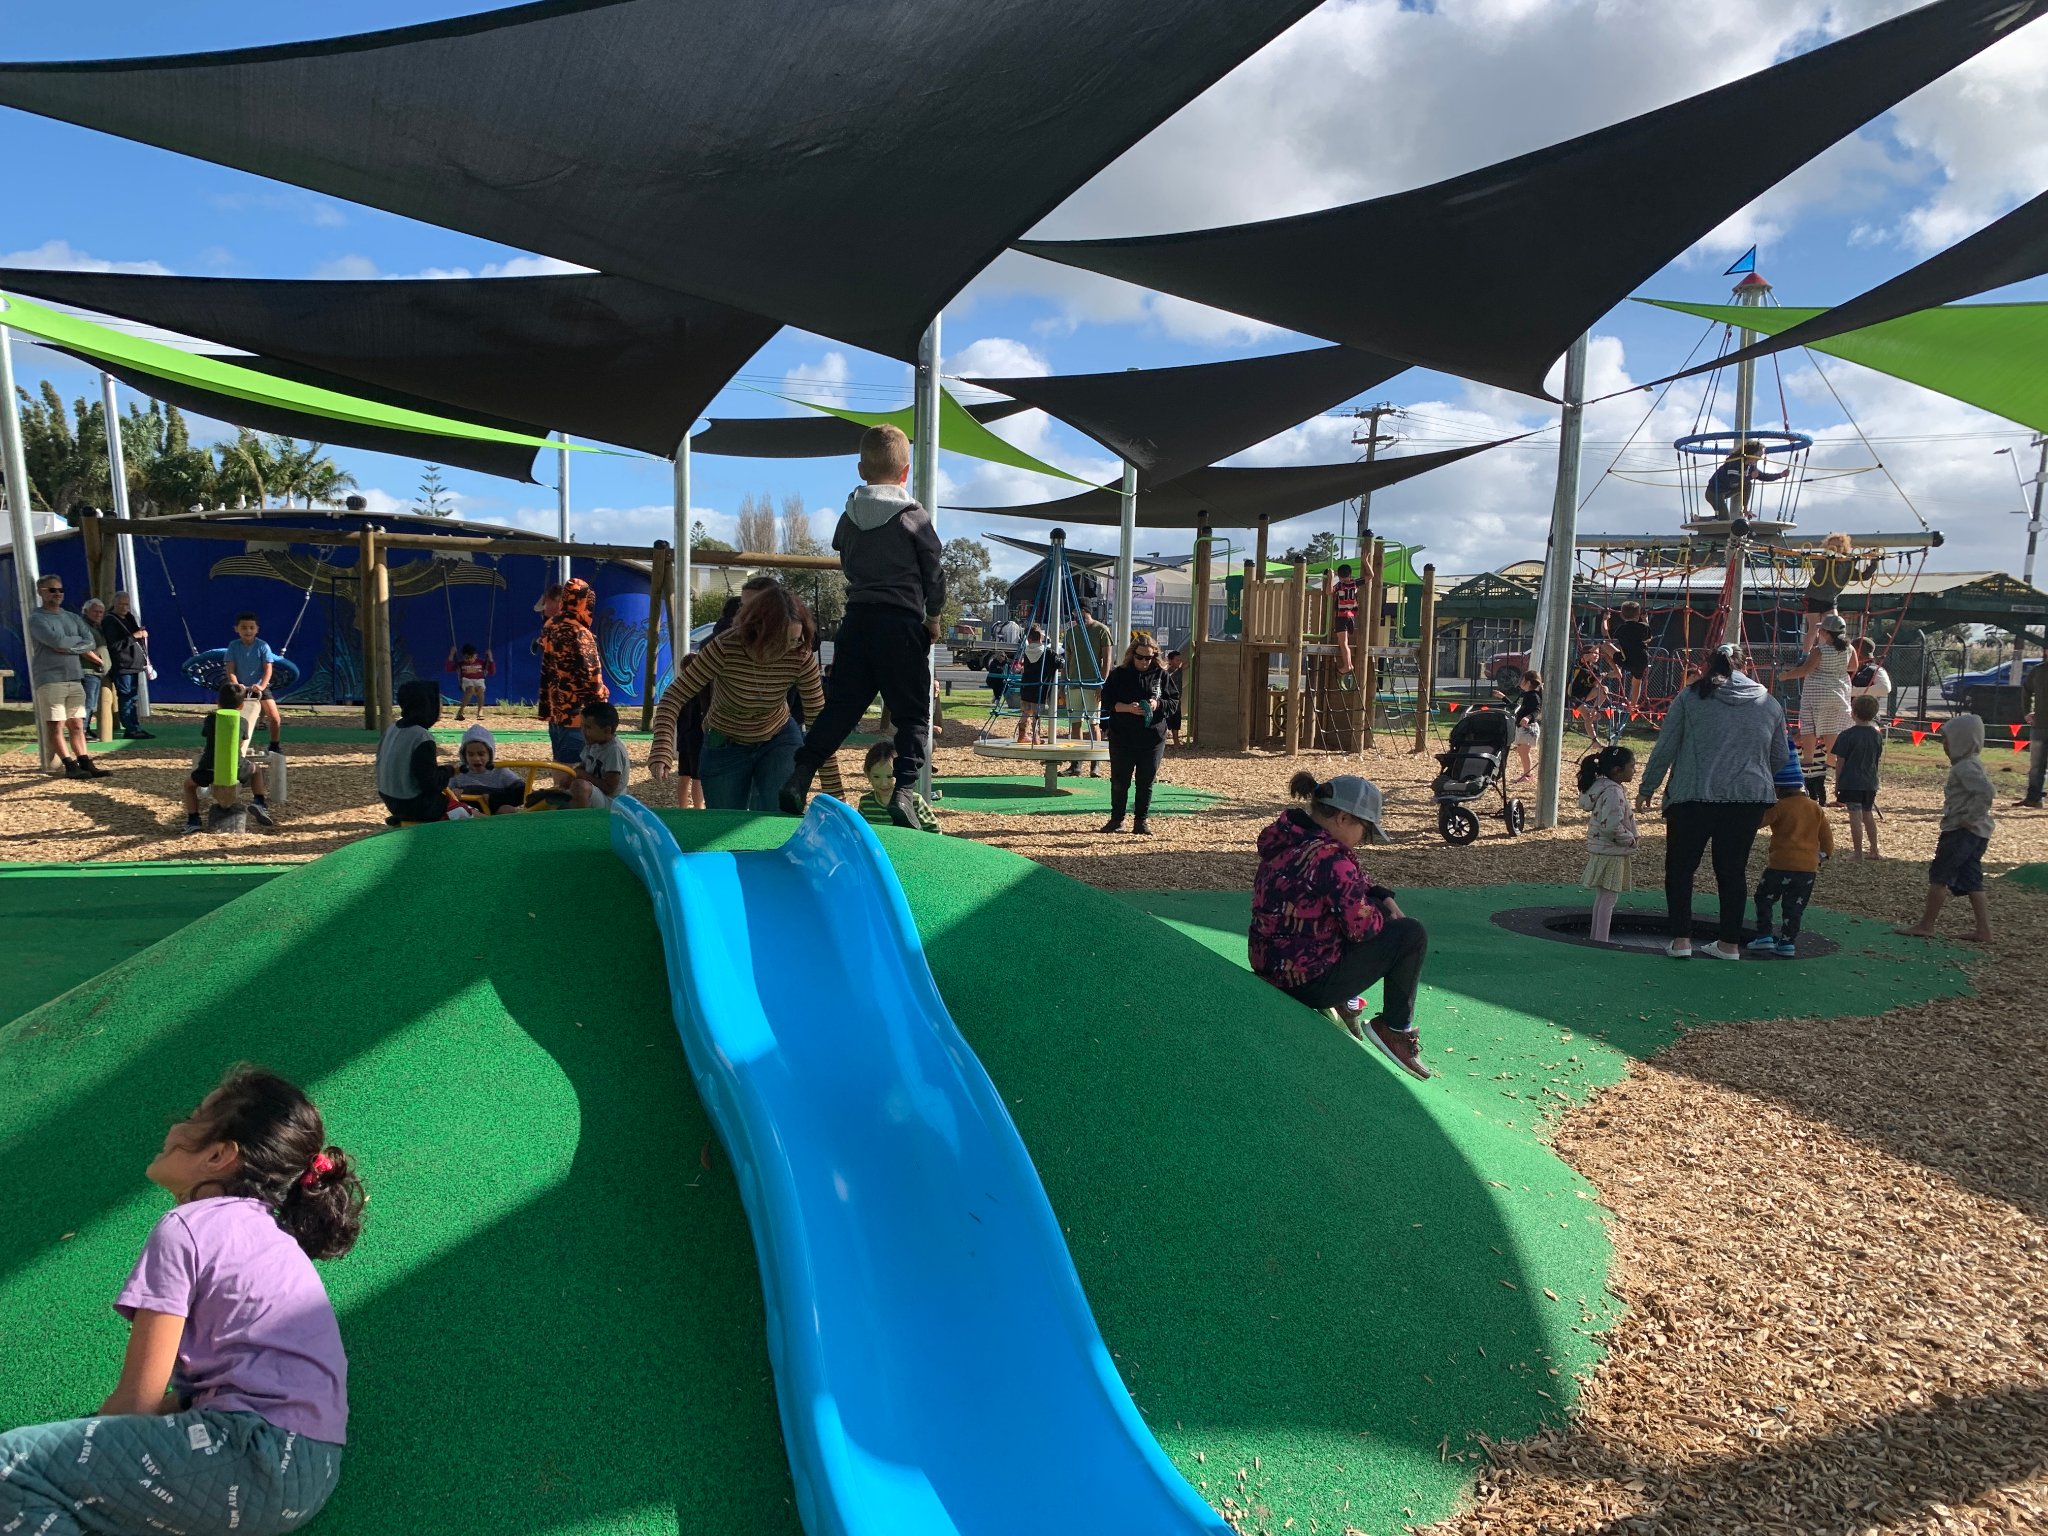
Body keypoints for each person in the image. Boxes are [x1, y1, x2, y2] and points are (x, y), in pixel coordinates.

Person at [0, 1065, 359, 1536]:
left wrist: (77, 1437)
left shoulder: (188, 1227)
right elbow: (192, 1399)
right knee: (75, 1482)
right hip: (309, 1473)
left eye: (193, 1117)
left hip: (248, 1453)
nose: (173, 1129)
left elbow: (138, 1402)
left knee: (10, 1467)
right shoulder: (272, 1239)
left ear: (219, 1155)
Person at [780, 424, 944, 827]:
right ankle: (903, 792)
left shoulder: (848, 517)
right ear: (905, 472)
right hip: (901, 624)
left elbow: (844, 552)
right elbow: (933, 572)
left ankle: (801, 775)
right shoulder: (913, 516)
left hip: (856, 622)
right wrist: (934, 615)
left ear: (859, 469)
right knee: (913, 717)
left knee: (840, 709)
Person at [1249, 772, 1431, 1080]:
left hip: (1269, 965)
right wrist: (1385, 914)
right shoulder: (1332, 860)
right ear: (1345, 818)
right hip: (1307, 983)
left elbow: (1356, 883)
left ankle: (1346, 1002)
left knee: (1343, 915)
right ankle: (1395, 1028)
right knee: (1410, 934)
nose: (1365, 839)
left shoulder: (1288, 839)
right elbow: (1363, 928)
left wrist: (1381, 897)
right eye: (1365, 830)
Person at [1636, 646, 1787, 961]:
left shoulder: (1691, 698)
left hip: (1694, 794)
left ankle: (1681, 940)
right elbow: (1779, 755)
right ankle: (1729, 943)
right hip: (1748, 798)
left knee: (1680, 868)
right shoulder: (1768, 703)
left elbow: (1666, 745)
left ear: (1707, 664)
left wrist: (1648, 786)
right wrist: (1754, 776)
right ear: (1746, 666)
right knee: (1732, 871)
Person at [650, 583, 829, 814]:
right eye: (782, 640)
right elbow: (674, 696)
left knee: (781, 812)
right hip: (725, 742)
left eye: (796, 639)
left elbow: (819, 719)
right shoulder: (726, 646)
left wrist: (835, 791)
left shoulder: (800, 655)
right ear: (760, 631)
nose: (791, 647)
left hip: (778, 737)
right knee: (726, 820)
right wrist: (662, 745)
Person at [1898, 712, 1996, 943]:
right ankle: (1984, 930)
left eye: (1948, 740)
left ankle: (1926, 924)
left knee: (1939, 876)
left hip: (1961, 831)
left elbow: (1986, 792)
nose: (1944, 745)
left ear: (1962, 740)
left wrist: (1969, 818)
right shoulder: (1973, 764)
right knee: (1972, 879)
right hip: (1976, 833)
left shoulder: (1964, 767)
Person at [1749, 751, 1833, 957]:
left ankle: (1764, 935)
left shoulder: (1780, 806)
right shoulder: (1815, 807)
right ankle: (1787, 942)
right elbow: (1827, 839)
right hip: (1807, 869)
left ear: (1777, 787)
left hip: (1780, 864)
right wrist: (1822, 856)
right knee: (1794, 906)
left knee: (1764, 898)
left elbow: (1758, 822)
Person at [29, 572, 112, 778]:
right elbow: (55, 642)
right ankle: (69, 764)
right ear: (41, 592)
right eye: (52, 590)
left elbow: (89, 642)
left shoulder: (72, 617)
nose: (58, 594)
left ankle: (85, 761)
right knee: (56, 724)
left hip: (75, 676)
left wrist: (68, 645)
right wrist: (74, 644)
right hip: (50, 679)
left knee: (77, 723)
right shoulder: (37, 618)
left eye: (60, 590)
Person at [181, 681, 277, 833]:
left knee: (189, 785)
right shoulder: (243, 721)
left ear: (217, 703)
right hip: (236, 766)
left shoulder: (210, 719)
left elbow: (206, 734)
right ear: (241, 706)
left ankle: (193, 819)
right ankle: (259, 801)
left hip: (209, 767)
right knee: (257, 770)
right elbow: (241, 742)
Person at [1097, 633, 1168, 836]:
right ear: (1132, 655)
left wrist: (1157, 704)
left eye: (1149, 658)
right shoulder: (1119, 674)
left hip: (1152, 737)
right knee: (1120, 780)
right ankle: (1117, 819)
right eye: (1141, 657)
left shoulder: (1161, 675)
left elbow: (1173, 702)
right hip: (1123, 736)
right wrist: (1128, 708)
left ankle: (1141, 821)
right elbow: (1108, 701)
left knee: (1146, 781)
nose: (1145, 662)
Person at [536, 578, 608, 769]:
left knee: (560, 764)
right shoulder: (580, 633)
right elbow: (591, 676)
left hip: (554, 709)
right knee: (576, 768)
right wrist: (602, 698)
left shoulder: (551, 626)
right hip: (578, 715)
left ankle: (558, 795)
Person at [1781, 612, 1854, 796]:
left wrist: (1787, 675)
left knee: (1809, 731)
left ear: (1827, 633)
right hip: (1839, 695)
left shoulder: (1819, 650)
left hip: (1816, 696)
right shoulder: (1849, 649)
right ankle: (1841, 785)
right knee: (1832, 740)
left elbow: (1806, 670)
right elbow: (1853, 667)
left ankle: (1807, 768)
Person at [1576, 745, 1638, 945]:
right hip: (1612, 851)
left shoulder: (1602, 787)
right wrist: (1630, 838)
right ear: (1616, 770)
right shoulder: (1613, 792)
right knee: (1609, 899)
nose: (1634, 770)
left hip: (1603, 849)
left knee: (1603, 897)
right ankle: (1601, 940)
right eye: (1632, 766)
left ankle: (1597, 937)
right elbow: (1611, 826)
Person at [376, 678, 457, 824]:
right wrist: (449, 770)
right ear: (428, 705)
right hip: (413, 802)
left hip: (389, 799)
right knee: (462, 811)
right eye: (438, 701)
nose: (442, 706)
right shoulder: (421, 736)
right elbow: (429, 782)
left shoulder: (392, 729)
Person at [1830, 694, 1886, 859]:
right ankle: (1874, 850)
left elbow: (1840, 762)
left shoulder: (1846, 735)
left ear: (1853, 713)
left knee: (1855, 815)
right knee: (1868, 814)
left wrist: (1837, 783)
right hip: (1869, 782)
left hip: (1851, 782)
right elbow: (1876, 759)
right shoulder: (1876, 735)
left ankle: (1857, 853)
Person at [1062, 608, 1114, 777]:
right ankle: (1076, 765)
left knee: (1093, 723)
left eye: (1076, 613)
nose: (1074, 617)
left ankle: (1095, 765)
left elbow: (1107, 659)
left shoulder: (1101, 630)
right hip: (1074, 683)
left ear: (1084, 610)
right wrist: (1065, 682)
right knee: (1075, 723)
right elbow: (1067, 659)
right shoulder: (1071, 632)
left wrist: (1102, 683)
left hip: (1093, 684)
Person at [225, 612, 285, 756]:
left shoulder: (263, 646)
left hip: (260, 687)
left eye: (251, 628)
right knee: (231, 716)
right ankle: (230, 744)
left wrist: (262, 686)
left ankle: (274, 745)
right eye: (244, 628)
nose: (248, 631)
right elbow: (230, 669)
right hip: (239, 687)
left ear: (257, 629)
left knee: (275, 718)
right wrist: (236, 684)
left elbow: (268, 669)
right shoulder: (233, 646)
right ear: (236, 629)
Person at [1803, 532, 1878, 645]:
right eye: (1832, 546)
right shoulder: (1824, 560)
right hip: (1814, 598)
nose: (1835, 549)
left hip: (1830, 599)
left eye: (1838, 546)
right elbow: (1833, 574)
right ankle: (1805, 655)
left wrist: (1873, 563)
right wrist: (1854, 560)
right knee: (1814, 629)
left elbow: (1864, 576)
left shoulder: (1847, 564)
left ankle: (1822, 653)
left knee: (1832, 628)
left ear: (1844, 548)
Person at [102, 590, 154, 738]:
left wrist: (141, 635)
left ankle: (135, 726)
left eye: (127, 604)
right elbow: (115, 646)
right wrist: (134, 636)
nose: (124, 607)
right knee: (126, 697)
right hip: (123, 666)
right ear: (114, 604)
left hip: (134, 664)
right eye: (121, 604)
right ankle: (130, 729)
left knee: (133, 698)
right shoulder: (110, 621)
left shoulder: (129, 618)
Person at [861, 739, 939, 831]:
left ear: (901, 774)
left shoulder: (915, 801)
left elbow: (934, 831)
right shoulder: (866, 803)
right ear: (868, 774)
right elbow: (861, 832)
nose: (884, 783)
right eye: (876, 776)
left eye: (890, 776)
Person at [449, 723, 527, 814]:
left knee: (507, 809)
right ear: (464, 755)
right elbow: (445, 792)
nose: (476, 759)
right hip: (470, 813)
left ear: (490, 754)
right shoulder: (458, 772)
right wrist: (453, 793)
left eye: (481, 754)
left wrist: (492, 796)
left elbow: (522, 790)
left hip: (494, 810)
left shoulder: (499, 771)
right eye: (470, 754)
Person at [1703, 437, 1787, 519]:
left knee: (1747, 484)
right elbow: (1732, 481)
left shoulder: (1750, 466)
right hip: (1714, 492)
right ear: (1752, 453)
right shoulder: (1735, 462)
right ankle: (1701, 519)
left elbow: (1764, 476)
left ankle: (1745, 509)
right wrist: (1750, 476)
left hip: (1725, 491)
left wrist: (1780, 475)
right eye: (1759, 455)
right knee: (1725, 519)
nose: (1760, 458)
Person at [570, 700, 630, 809]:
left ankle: (583, 823)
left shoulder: (614, 750)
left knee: (580, 786)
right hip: (598, 795)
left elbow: (610, 788)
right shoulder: (593, 742)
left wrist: (584, 776)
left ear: (607, 731)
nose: (583, 731)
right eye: (582, 726)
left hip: (611, 802)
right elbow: (583, 766)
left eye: (588, 727)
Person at [1604, 602, 1654, 711]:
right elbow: (1649, 636)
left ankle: (1616, 670)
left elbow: (1605, 633)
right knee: (1637, 681)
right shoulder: (1643, 627)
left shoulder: (1621, 629)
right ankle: (1633, 705)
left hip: (1627, 660)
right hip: (1642, 659)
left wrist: (1605, 619)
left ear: (1622, 615)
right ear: (1638, 615)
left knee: (1604, 645)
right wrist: (1645, 619)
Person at [1014, 626, 1060, 745]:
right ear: (1041, 637)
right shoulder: (1047, 653)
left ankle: (1022, 734)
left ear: (1028, 639)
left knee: (1026, 712)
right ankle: (1036, 737)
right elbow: (1060, 663)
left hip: (1026, 686)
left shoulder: (1026, 652)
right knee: (1036, 714)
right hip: (1039, 689)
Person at [79, 596, 113, 727]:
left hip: (96, 672)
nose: (98, 614)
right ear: (86, 611)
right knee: (87, 703)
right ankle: (82, 730)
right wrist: (100, 662)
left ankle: (85, 728)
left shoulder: (96, 627)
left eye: (101, 612)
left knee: (92, 704)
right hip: (88, 670)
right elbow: (83, 650)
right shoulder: (83, 627)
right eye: (95, 611)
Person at [2019, 654, 2047, 809]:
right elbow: (2026, 690)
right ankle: (2034, 798)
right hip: (2040, 725)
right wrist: (2027, 711)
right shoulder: (2038, 671)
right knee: (2036, 765)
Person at [1567, 644, 1610, 741]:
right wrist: (1600, 644)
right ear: (1586, 654)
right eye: (1594, 653)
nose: (1597, 655)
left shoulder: (1595, 668)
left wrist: (1601, 677)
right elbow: (1585, 656)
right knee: (1587, 717)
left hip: (1585, 694)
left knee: (1604, 689)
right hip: (1574, 694)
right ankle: (1594, 740)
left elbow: (1596, 686)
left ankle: (1595, 709)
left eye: (1598, 653)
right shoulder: (1581, 663)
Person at [445, 642, 496, 721]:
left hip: (479, 681)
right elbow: (448, 668)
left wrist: (490, 657)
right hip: (467, 680)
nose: (469, 660)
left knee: (480, 689)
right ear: (463, 657)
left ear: (476, 655)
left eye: (471, 657)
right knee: (470, 689)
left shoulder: (481, 663)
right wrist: (451, 654)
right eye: (466, 658)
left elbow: (492, 672)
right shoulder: (461, 664)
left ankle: (480, 711)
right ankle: (460, 712)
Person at [1510, 669, 1542, 782]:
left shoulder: (1534, 696)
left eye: (1522, 679)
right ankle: (1527, 774)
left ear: (1528, 682)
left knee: (1524, 752)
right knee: (1521, 751)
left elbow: (1536, 710)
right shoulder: (1524, 695)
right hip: (1521, 727)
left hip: (1529, 728)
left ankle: (1527, 775)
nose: (1520, 681)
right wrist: (1502, 697)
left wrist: (1528, 717)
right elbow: (1515, 706)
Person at [1331, 563, 1361, 683]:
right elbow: (1371, 576)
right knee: (1343, 642)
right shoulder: (1355, 583)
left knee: (1343, 643)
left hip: (1342, 616)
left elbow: (1329, 591)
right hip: (1351, 616)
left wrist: (1329, 578)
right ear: (1350, 574)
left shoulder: (1340, 585)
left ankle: (1348, 665)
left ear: (1339, 575)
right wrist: (1365, 561)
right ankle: (1347, 664)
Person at [1848, 635, 1893, 713]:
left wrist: (1852, 692)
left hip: (1866, 716)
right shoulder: (1848, 668)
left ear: (1858, 653)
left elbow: (1884, 689)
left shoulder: (1876, 670)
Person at [1161, 649, 1186, 747]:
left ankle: (1176, 741)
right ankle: (1162, 741)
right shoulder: (1166, 672)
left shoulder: (1179, 670)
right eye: (1177, 660)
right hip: (1167, 699)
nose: (1179, 662)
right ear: (1170, 661)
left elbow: (1187, 663)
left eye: (1180, 660)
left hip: (1176, 700)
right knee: (1166, 719)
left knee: (1176, 720)